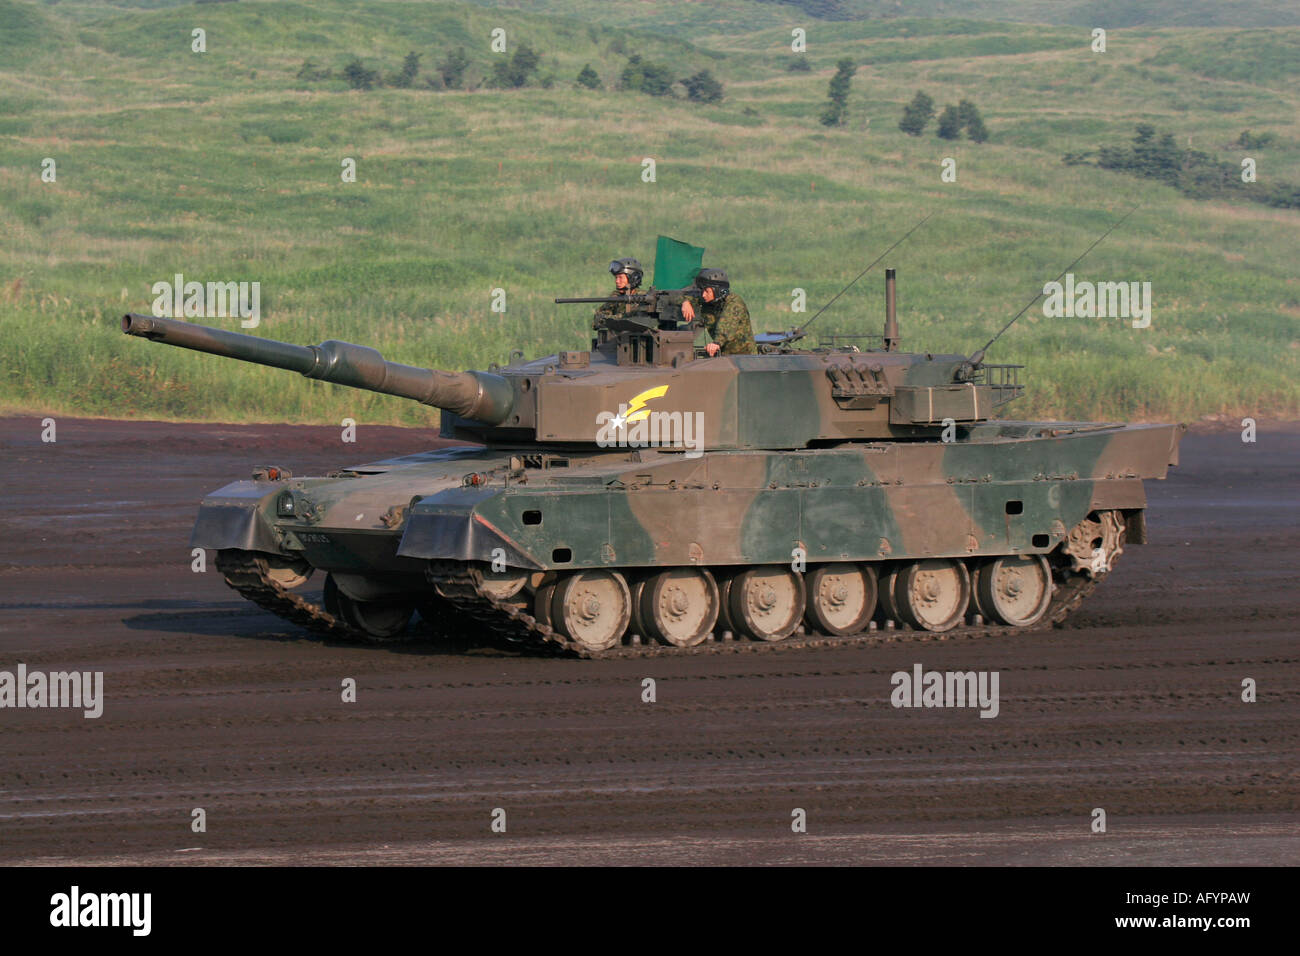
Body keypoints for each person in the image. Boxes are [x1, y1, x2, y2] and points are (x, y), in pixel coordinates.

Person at [681, 268, 756, 355]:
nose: (703, 294)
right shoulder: (710, 301)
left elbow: (727, 325)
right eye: (702, 290)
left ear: (718, 290)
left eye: (706, 291)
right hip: (724, 356)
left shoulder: (734, 303)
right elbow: (686, 296)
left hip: (744, 358)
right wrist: (685, 302)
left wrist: (716, 343)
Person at [593, 257, 648, 326]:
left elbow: (629, 320)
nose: (617, 281)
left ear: (633, 278)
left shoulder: (643, 298)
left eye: (620, 277)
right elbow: (597, 320)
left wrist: (608, 319)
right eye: (616, 277)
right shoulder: (616, 296)